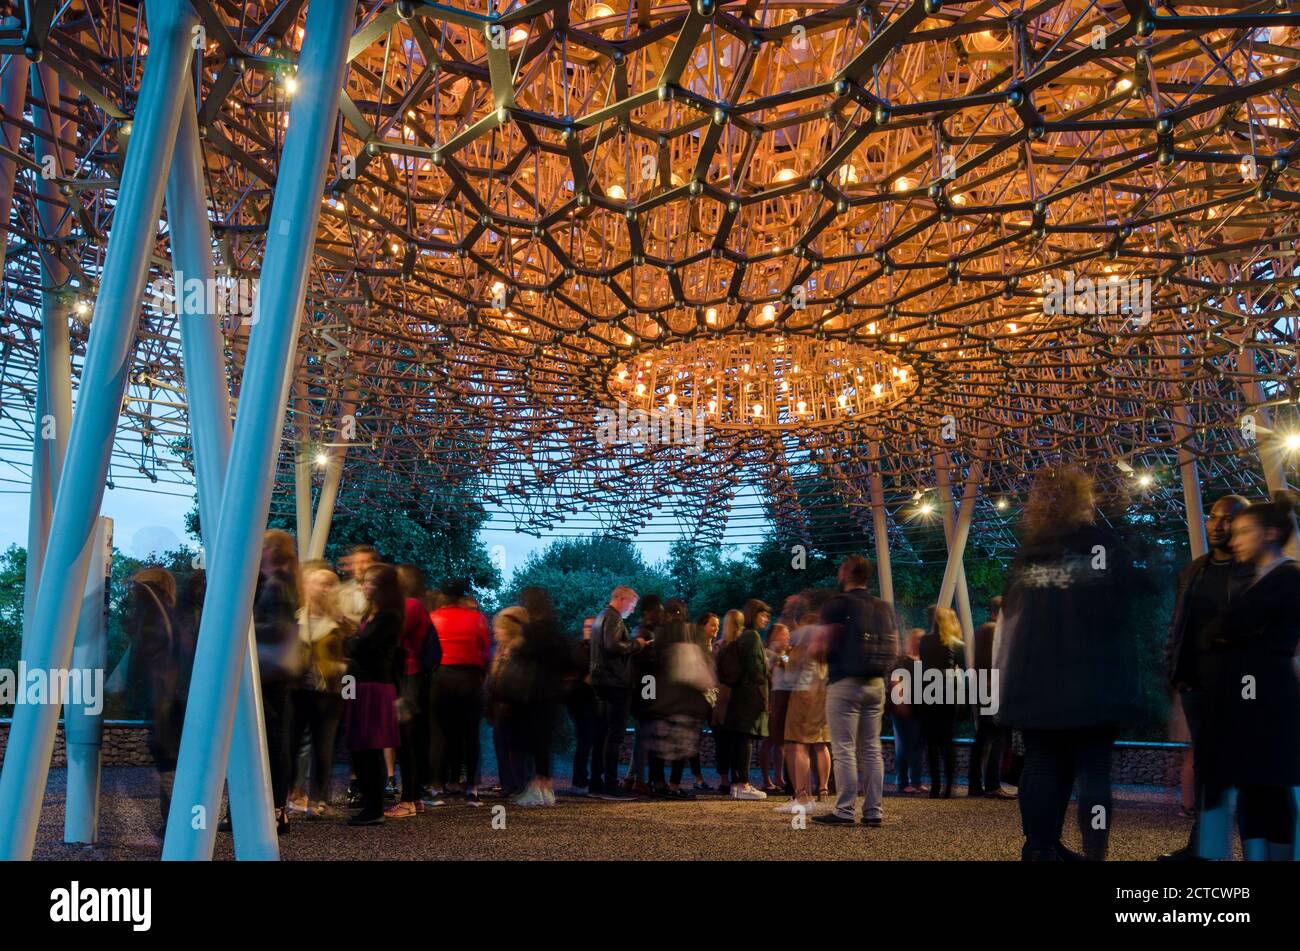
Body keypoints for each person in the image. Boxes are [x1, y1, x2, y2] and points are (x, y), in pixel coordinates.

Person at [995, 465, 1143, 860]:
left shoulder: (1029, 553)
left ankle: (1040, 849)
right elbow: (1123, 610)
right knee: (1094, 772)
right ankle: (1094, 851)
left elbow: (1012, 616)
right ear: (1083, 498)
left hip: (1037, 682)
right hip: (1094, 682)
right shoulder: (1101, 545)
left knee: (1042, 765)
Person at [1196, 492, 1300, 860]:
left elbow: (1224, 627)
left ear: (1270, 533)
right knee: (1259, 790)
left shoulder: (1285, 579)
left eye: (1244, 531)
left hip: (1267, 704)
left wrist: (1221, 633)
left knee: (1268, 791)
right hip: (1258, 701)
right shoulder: (1265, 580)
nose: (1235, 539)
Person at [1158, 495, 1251, 860]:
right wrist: (1175, 673)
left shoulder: (1252, 572)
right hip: (1197, 686)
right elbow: (1178, 624)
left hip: (1239, 689)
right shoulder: (1193, 571)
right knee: (1207, 770)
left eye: (1226, 519)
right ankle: (1203, 848)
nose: (1216, 525)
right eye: (1212, 517)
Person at [812, 555, 898, 827]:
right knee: (871, 748)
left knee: (844, 749)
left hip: (845, 682)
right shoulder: (884, 607)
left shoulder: (837, 605)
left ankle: (845, 810)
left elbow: (823, 644)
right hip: (876, 683)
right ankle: (874, 812)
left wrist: (816, 654)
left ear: (846, 572)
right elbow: (895, 647)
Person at [123, 567, 186, 832]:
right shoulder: (173, 616)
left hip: (165, 700)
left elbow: (147, 659)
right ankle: (175, 825)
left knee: (169, 762)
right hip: (175, 699)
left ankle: (176, 826)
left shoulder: (153, 618)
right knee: (173, 762)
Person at [343, 563, 403, 826]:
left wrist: (350, 640)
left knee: (369, 746)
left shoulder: (388, 618)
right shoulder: (377, 616)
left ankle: (374, 807)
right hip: (366, 684)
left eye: (369, 582)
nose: (364, 586)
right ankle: (372, 805)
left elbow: (359, 648)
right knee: (362, 746)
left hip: (373, 687)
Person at [500, 587, 571, 806]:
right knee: (543, 743)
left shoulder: (530, 632)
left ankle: (533, 787)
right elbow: (568, 659)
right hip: (551, 695)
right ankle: (545, 787)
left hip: (531, 694)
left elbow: (521, 660)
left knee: (525, 740)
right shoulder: (555, 631)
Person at [291, 565, 351, 817]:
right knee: (292, 744)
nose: (324, 588)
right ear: (306, 586)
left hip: (331, 692)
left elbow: (351, 661)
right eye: (319, 583)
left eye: (329, 584)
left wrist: (349, 693)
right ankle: (293, 794)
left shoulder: (343, 624)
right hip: (297, 689)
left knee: (323, 747)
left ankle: (318, 799)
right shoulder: (294, 618)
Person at [254, 530, 303, 834]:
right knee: (276, 740)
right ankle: (276, 809)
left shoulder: (276, 584)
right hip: (279, 671)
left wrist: (245, 625)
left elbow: (278, 627)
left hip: (268, 671)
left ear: (271, 550)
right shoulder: (286, 582)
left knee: (272, 741)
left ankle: (273, 810)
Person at [428, 579, 491, 805]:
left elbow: (427, 651)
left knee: (439, 732)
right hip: (470, 678)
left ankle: (436, 788)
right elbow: (484, 651)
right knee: (471, 734)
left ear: (444, 596)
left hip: (442, 676)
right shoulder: (477, 619)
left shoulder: (434, 618)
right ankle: (471, 789)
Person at [645, 598, 712, 798]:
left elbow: (652, 666)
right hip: (686, 698)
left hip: (661, 698)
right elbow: (705, 663)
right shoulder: (693, 633)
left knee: (658, 744)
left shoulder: (660, 635)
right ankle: (674, 785)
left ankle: (658, 783)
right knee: (683, 744)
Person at [589, 585, 645, 799]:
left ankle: (596, 783)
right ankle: (611, 786)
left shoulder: (600, 617)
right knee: (614, 735)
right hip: (615, 683)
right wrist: (636, 645)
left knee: (602, 734)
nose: (632, 609)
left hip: (601, 681)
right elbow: (613, 645)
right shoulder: (613, 618)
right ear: (621, 599)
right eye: (632, 604)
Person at [778, 596, 833, 814]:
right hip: (822, 699)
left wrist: (786, 658)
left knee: (798, 745)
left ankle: (802, 795)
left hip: (802, 699)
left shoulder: (802, 649)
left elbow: (790, 676)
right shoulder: (825, 651)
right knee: (821, 744)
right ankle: (824, 787)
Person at [388, 564, 431, 818]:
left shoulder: (410, 605)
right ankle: (415, 797)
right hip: (412, 676)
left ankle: (409, 800)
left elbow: (395, 636)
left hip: (407, 676)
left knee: (407, 740)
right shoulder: (418, 605)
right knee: (410, 739)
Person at [718, 598, 771, 799]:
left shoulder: (742, 636)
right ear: (753, 614)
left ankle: (736, 783)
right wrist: (765, 687)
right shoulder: (752, 637)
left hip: (740, 694)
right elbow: (756, 669)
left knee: (739, 739)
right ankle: (743, 784)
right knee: (744, 739)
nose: (766, 619)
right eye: (763, 614)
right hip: (750, 694)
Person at [918, 606, 967, 799]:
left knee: (932, 742)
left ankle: (935, 786)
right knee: (948, 741)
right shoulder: (957, 644)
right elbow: (962, 671)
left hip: (929, 694)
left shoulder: (925, 641)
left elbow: (923, 665)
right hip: (950, 695)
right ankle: (948, 786)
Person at [968, 596, 1011, 798]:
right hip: (993, 689)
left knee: (983, 738)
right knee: (996, 737)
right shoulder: (996, 631)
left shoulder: (981, 630)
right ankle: (992, 784)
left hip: (981, 687)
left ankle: (975, 785)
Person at [488, 603, 529, 797]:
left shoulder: (520, 650)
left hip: (514, 705)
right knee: (503, 744)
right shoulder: (501, 649)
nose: (496, 631)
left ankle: (517, 784)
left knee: (515, 745)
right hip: (502, 705)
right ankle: (510, 784)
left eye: (500, 628)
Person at [625, 595, 665, 793]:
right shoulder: (643, 632)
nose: (661, 614)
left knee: (645, 733)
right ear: (649, 612)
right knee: (645, 733)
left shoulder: (645, 630)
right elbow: (644, 662)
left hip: (646, 685)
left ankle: (633, 777)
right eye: (658, 610)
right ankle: (639, 779)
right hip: (646, 686)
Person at [761, 614, 795, 793]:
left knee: (781, 741)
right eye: (784, 635)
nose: (787, 638)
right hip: (773, 697)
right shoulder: (768, 654)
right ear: (773, 637)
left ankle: (779, 777)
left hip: (786, 697)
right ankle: (767, 778)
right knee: (769, 740)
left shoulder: (788, 654)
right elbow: (768, 674)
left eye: (788, 634)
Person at [711, 609, 744, 793]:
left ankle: (724, 779)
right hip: (734, 694)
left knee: (722, 739)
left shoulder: (719, 646)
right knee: (734, 738)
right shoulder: (741, 646)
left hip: (721, 694)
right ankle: (736, 778)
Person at [890, 628, 926, 794]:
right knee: (904, 744)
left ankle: (916, 781)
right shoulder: (902, 660)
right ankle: (902, 782)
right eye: (917, 639)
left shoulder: (925, 660)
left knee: (918, 744)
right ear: (911, 640)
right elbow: (895, 679)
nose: (920, 642)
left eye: (922, 639)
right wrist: (900, 700)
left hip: (920, 706)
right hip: (903, 706)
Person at [564, 617, 598, 792]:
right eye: (586, 626)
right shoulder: (580, 649)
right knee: (585, 738)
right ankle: (580, 780)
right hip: (579, 698)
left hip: (584, 697)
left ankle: (582, 778)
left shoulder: (591, 648)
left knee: (587, 739)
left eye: (591, 627)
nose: (588, 629)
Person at [689, 612, 720, 790]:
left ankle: (722, 777)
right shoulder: (696, 648)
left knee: (720, 735)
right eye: (713, 625)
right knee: (695, 738)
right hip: (698, 698)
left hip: (713, 698)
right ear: (702, 626)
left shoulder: (714, 647)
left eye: (717, 625)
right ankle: (698, 778)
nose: (716, 628)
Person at [338, 544, 378, 624]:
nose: (359, 567)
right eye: (356, 562)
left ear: (375, 564)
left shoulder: (383, 592)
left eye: (364, 562)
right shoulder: (340, 591)